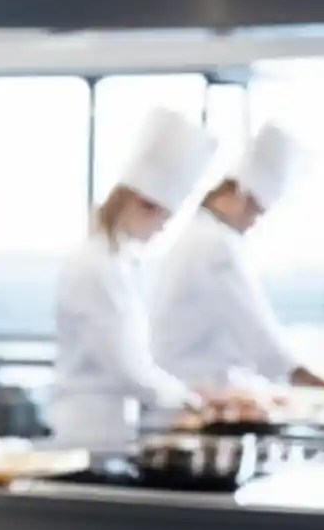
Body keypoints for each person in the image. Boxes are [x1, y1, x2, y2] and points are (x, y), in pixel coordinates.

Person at [49, 108, 217, 449]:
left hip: (110, 429)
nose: (161, 231)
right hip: (87, 430)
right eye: (164, 220)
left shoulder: (119, 263)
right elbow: (125, 366)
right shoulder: (92, 266)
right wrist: (189, 399)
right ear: (144, 205)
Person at [151, 123, 324, 390]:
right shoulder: (215, 245)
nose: (252, 223)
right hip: (190, 394)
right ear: (241, 197)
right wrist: (307, 377)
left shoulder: (200, 235)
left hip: (190, 389)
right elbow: (258, 333)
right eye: (256, 213)